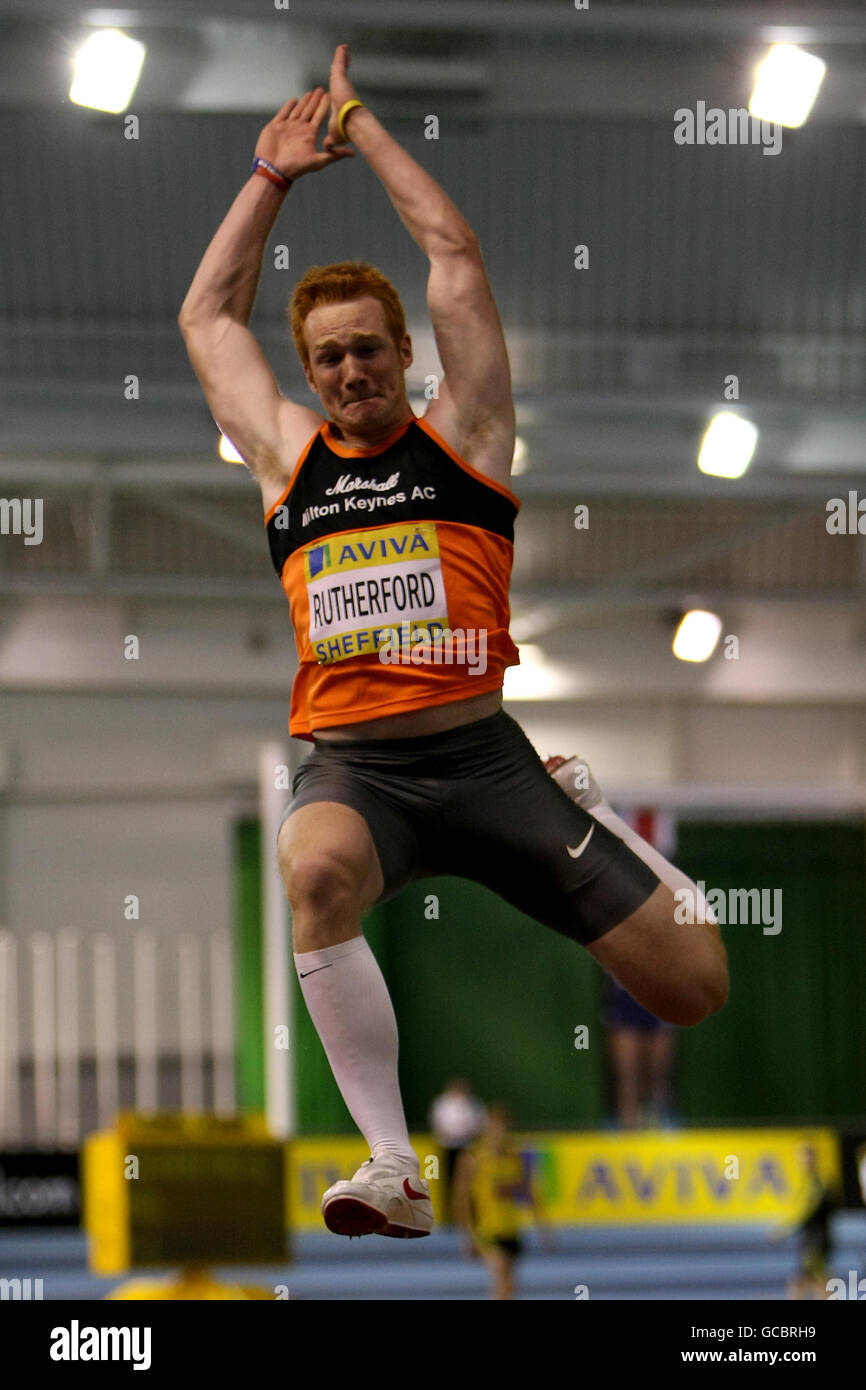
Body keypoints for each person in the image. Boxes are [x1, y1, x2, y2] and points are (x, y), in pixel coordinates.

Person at [179, 43, 728, 1241]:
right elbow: (204, 316)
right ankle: (389, 1161)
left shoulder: (466, 437)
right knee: (312, 868)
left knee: (693, 989)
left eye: (368, 345)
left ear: (402, 354)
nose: (349, 368)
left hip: (487, 764)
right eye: (326, 356)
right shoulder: (286, 461)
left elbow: (453, 256)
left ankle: (623, 836)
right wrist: (266, 175)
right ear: (310, 373)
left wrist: (362, 129)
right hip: (357, 769)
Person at [452, 1106, 544, 1300]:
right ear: (486, 1129)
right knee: (501, 1277)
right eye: (494, 1127)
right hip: (487, 1229)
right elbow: (462, 1198)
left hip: (510, 1228)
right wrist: (467, 1234)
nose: (499, 1132)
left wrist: (543, 1225)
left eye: (503, 1127)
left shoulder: (514, 1157)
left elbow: (528, 1191)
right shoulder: (473, 1157)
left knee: (510, 1285)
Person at [429, 1078, 488, 1220]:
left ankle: (472, 1214)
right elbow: (437, 1124)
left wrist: (469, 1133)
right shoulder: (442, 1103)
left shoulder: (473, 1103)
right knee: (451, 1183)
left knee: (472, 1183)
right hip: (448, 1147)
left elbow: (481, 1123)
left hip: (468, 1147)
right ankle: (452, 1215)